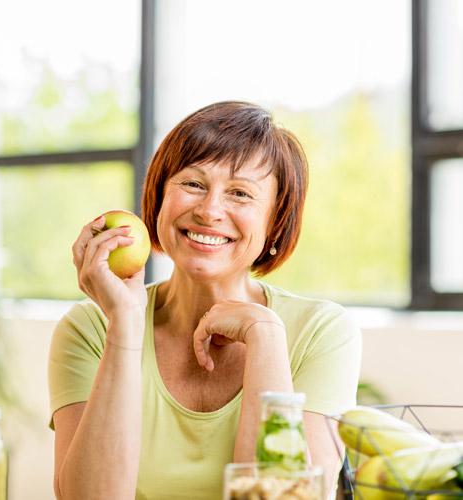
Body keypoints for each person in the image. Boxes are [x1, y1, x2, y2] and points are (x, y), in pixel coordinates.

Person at [48, 100, 362, 500]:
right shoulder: (89, 329)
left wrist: (264, 335)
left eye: (240, 193)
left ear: (275, 222)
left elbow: (282, 497)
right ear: (159, 196)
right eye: (193, 184)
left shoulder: (322, 332)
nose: (210, 210)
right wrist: (125, 325)